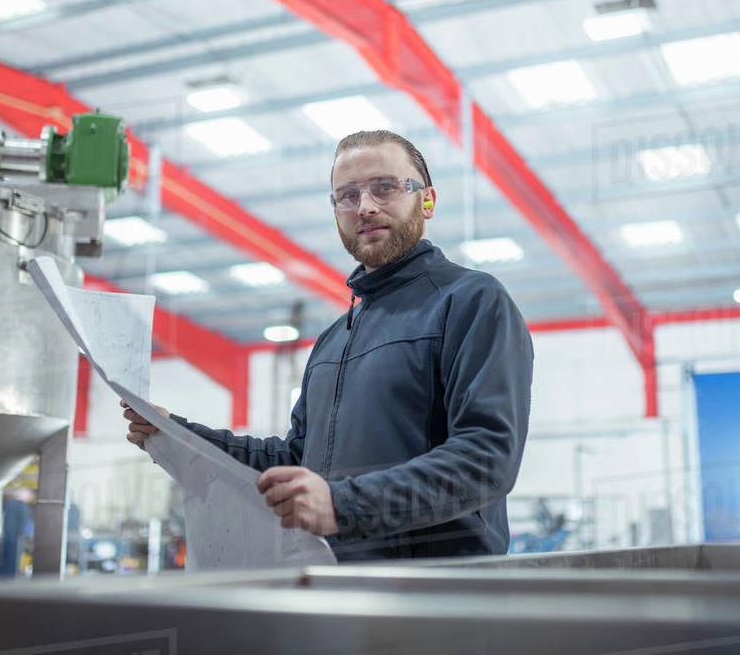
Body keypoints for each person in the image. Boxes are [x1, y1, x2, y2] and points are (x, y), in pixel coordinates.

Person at [124, 130, 532, 560]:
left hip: (435, 601)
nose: (366, 206)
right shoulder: (334, 340)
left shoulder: (472, 301)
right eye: (347, 195)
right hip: (339, 589)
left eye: (386, 187)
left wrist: (342, 505)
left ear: (426, 200)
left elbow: (487, 458)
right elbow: (294, 461)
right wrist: (178, 435)